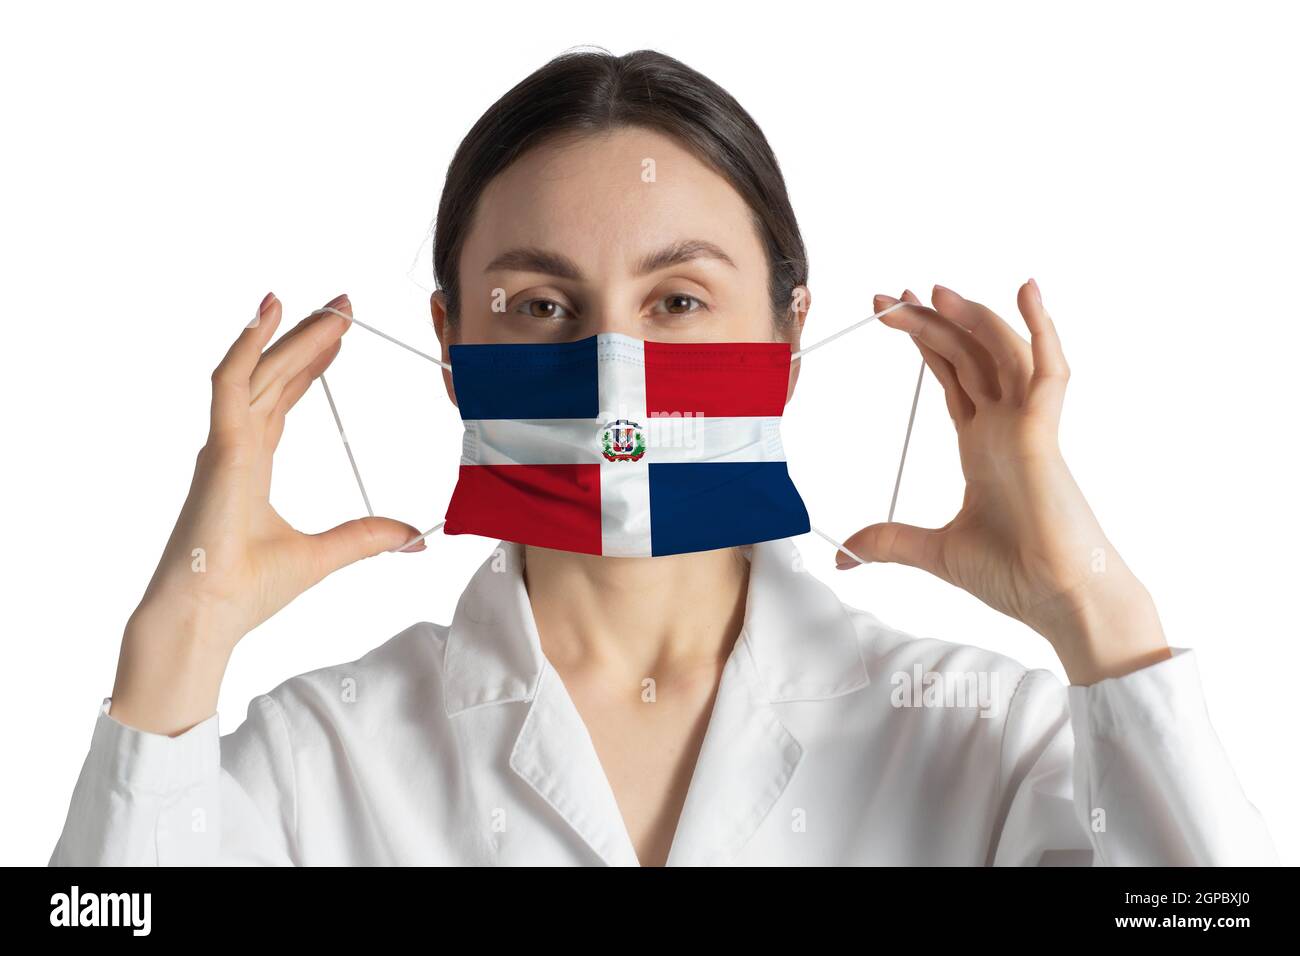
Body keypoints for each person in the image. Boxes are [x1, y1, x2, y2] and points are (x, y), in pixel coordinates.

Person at [49, 48, 1276, 867]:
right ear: (449, 341)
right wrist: (181, 637)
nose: (613, 368)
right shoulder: (318, 761)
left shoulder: (979, 739)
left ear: (790, 333)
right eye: (538, 305)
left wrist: (1095, 612)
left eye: (679, 300)